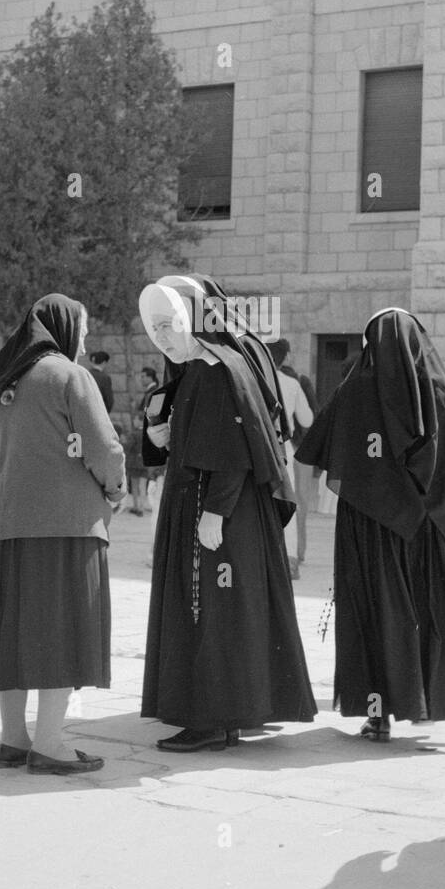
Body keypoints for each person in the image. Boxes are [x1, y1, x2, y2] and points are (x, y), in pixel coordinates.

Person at [297, 309, 445, 739]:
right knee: (429, 614)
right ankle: (424, 702)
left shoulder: (354, 392)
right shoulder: (443, 394)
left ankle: (378, 713)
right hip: (430, 533)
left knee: (376, 615)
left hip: (370, 532)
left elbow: (320, 447)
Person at [139, 274, 316, 752]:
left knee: (212, 610)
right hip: (218, 509)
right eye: (152, 328)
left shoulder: (215, 370)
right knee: (227, 610)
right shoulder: (212, 365)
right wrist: (158, 436)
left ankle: (213, 719)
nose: (160, 336)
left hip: (217, 511)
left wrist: (214, 513)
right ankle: (232, 710)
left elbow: (233, 447)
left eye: (166, 324)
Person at [0, 295, 126, 775]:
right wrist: (114, 491)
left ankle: (14, 740)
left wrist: (7, 493)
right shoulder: (69, 376)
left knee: (14, 634)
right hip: (68, 527)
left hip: (6, 529)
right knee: (62, 632)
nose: (86, 339)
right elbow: (104, 448)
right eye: (85, 329)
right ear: (65, 329)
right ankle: (50, 743)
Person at [267, 338, 315, 579]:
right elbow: (307, 420)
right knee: (288, 503)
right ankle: (290, 561)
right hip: (284, 448)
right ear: (283, 356)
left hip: (259, 448)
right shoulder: (291, 383)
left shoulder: (256, 378)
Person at [124, 366, 161, 514]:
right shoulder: (151, 392)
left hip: (149, 433)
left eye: (143, 376)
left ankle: (145, 503)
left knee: (147, 471)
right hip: (147, 433)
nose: (141, 379)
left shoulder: (154, 392)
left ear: (151, 377)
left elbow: (153, 414)